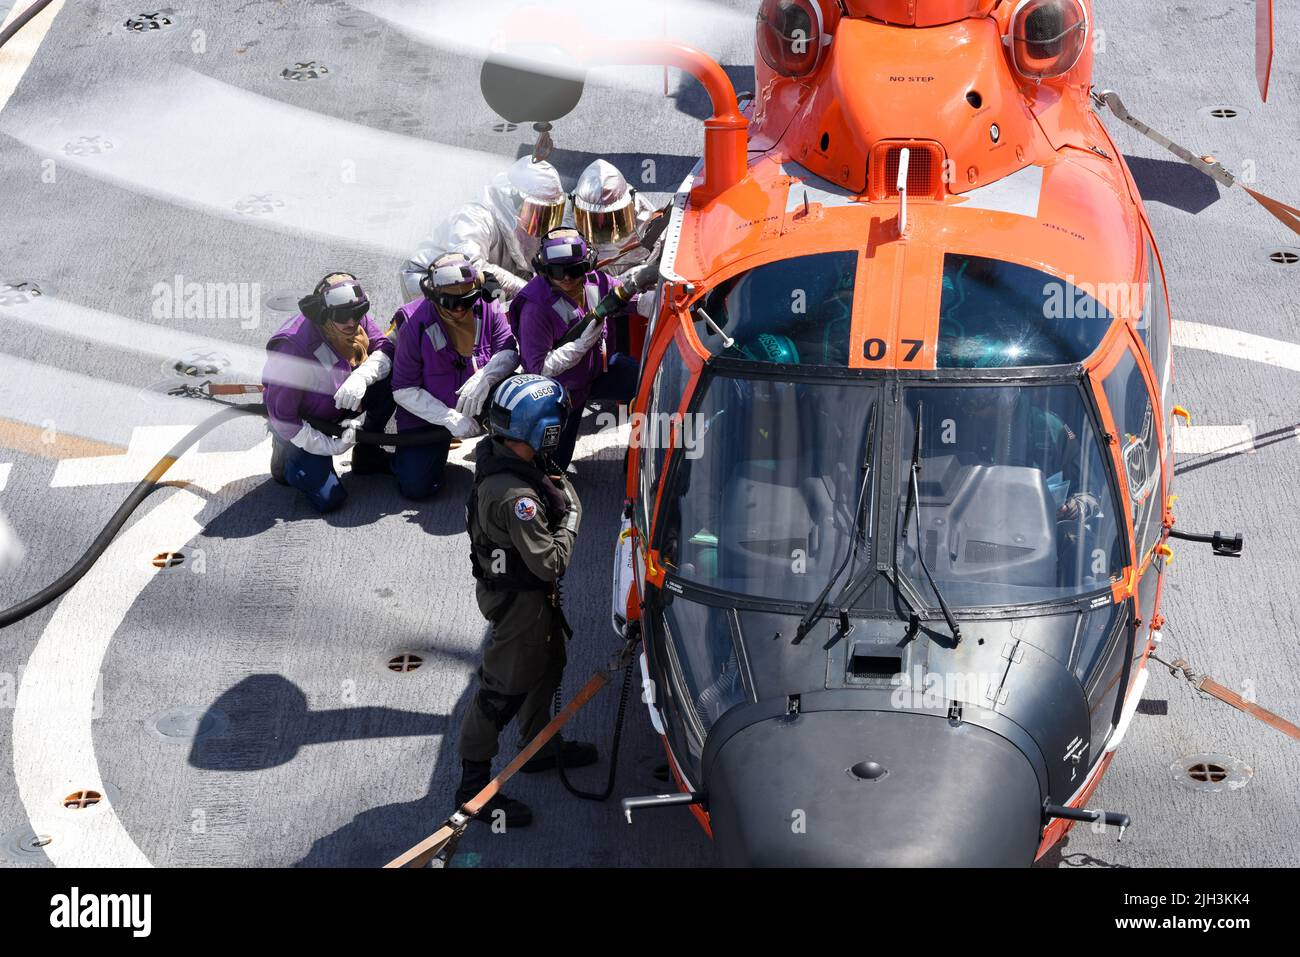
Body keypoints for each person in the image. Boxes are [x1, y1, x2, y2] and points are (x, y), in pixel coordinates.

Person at [456, 373, 598, 827]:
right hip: (520, 604)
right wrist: (572, 515)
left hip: (524, 597)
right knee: (500, 692)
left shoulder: (504, 459)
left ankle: (538, 744)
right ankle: (472, 789)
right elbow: (550, 563)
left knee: (548, 664)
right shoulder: (518, 497)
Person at [389, 254, 520, 499]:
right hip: (428, 418)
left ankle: (503, 456)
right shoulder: (412, 322)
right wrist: (448, 419)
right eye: (450, 302)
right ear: (434, 296)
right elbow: (403, 389)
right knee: (416, 488)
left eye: (466, 300)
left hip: (480, 399)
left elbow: (509, 350)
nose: (459, 308)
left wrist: (485, 378)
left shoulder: (488, 305)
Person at [511, 228, 641, 472]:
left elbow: (632, 301)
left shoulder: (598, 283)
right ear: (544, 269)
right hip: (562, 391)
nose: (567, 278)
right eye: (557, 271)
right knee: (553, 469)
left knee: (649, 382)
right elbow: (538, 369)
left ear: (588, 265)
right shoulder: (535, 308)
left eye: (575, 269)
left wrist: (654, 300)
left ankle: (638, 457)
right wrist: (580, 346)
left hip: (598, 373)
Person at [263, 272, 395, 513]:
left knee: (392, 379)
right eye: (344, 316)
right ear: (323, 315)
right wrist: (331, 447)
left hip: (340, 404)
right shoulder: (292, 349)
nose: (352, 322)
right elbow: (284, 417)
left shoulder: (351, 316)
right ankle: (286, 458)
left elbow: (384, 347)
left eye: (359, 312)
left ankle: (368, 454)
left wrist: (361, 377)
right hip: (303, 424)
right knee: (329, 498)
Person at [399, 156, 568, 304]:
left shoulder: (521, 220)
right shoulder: (474, 217)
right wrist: (528, 290)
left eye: (551, 213)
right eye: (539, 211)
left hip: (481, 279)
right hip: (431, 280)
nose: (545, 221)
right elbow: (470, 266)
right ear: (514, 200)